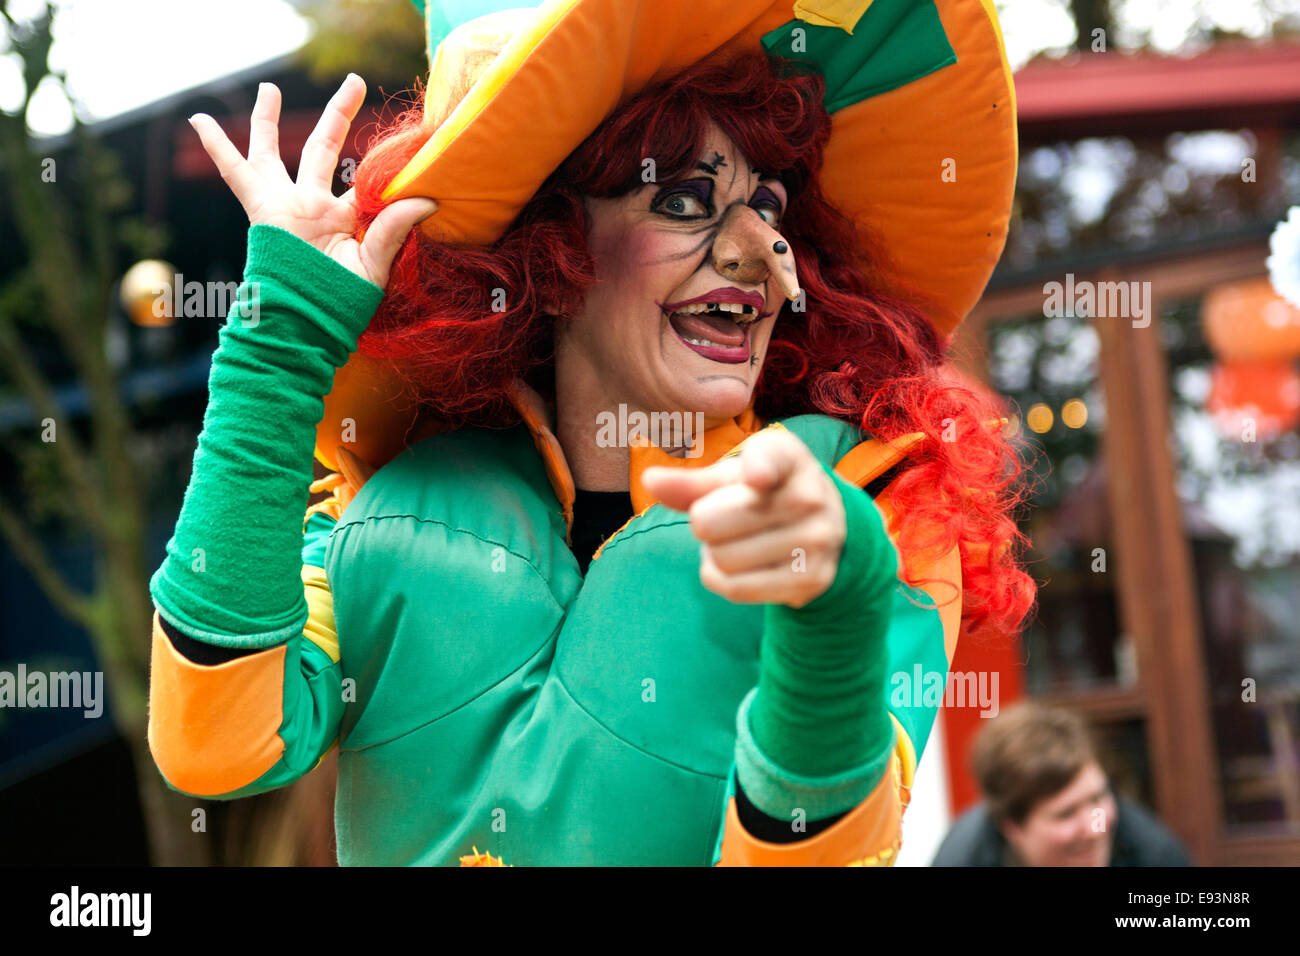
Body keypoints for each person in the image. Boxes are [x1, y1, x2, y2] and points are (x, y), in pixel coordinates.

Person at [146, 0, 1033, 865]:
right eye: (687, 201)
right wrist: (278, 346)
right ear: (554, 259)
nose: (759, 248)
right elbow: (215, 745)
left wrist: (832, 614)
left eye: (770, 206)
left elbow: (823, 854)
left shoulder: (869, 497)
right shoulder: (394, 499)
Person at [932, 703, 1193, 866]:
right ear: (1012, 827)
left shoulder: (1152, 854)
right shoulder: (963, 858)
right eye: (1066, 813)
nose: (1094, 828)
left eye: (1097, 799)